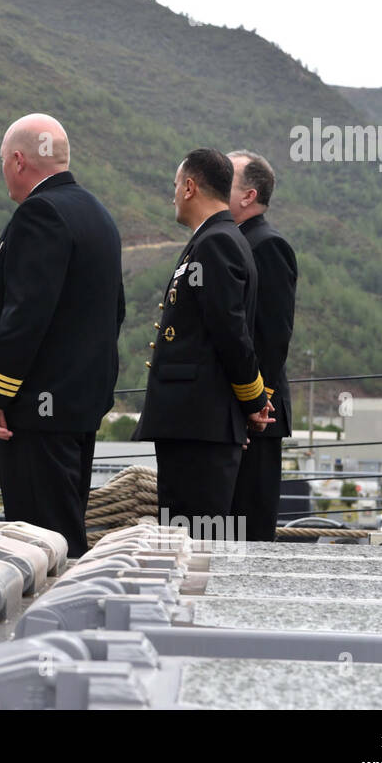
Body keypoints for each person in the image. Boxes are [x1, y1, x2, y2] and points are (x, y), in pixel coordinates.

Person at [0, 114, 125, 559]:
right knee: (65, 532)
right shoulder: (98, 214)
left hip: (36, 413)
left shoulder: (40, 214)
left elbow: (25, 316)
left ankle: (54, 626)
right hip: (76, 408)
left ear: (18, 160)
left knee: (40, 543)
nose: (4, 170)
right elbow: (113, 312)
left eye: (4, 161)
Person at [132, 148, 274, 537]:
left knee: (193, 542)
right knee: (187, 539)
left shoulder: (216, 243)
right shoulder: (212, 239)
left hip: (200, 426)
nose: (173, 195)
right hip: (193, 425)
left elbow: (232, 333)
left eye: (176, 186)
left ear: (191, 187)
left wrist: (254, 399)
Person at [226, 151, 297, 540]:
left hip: (257, 417)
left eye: (227, 181)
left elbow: (272, 335)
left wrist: (256, 402)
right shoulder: (232, 241)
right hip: (240, 411)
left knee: (247, 535)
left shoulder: (267, 245)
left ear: (249, 195)